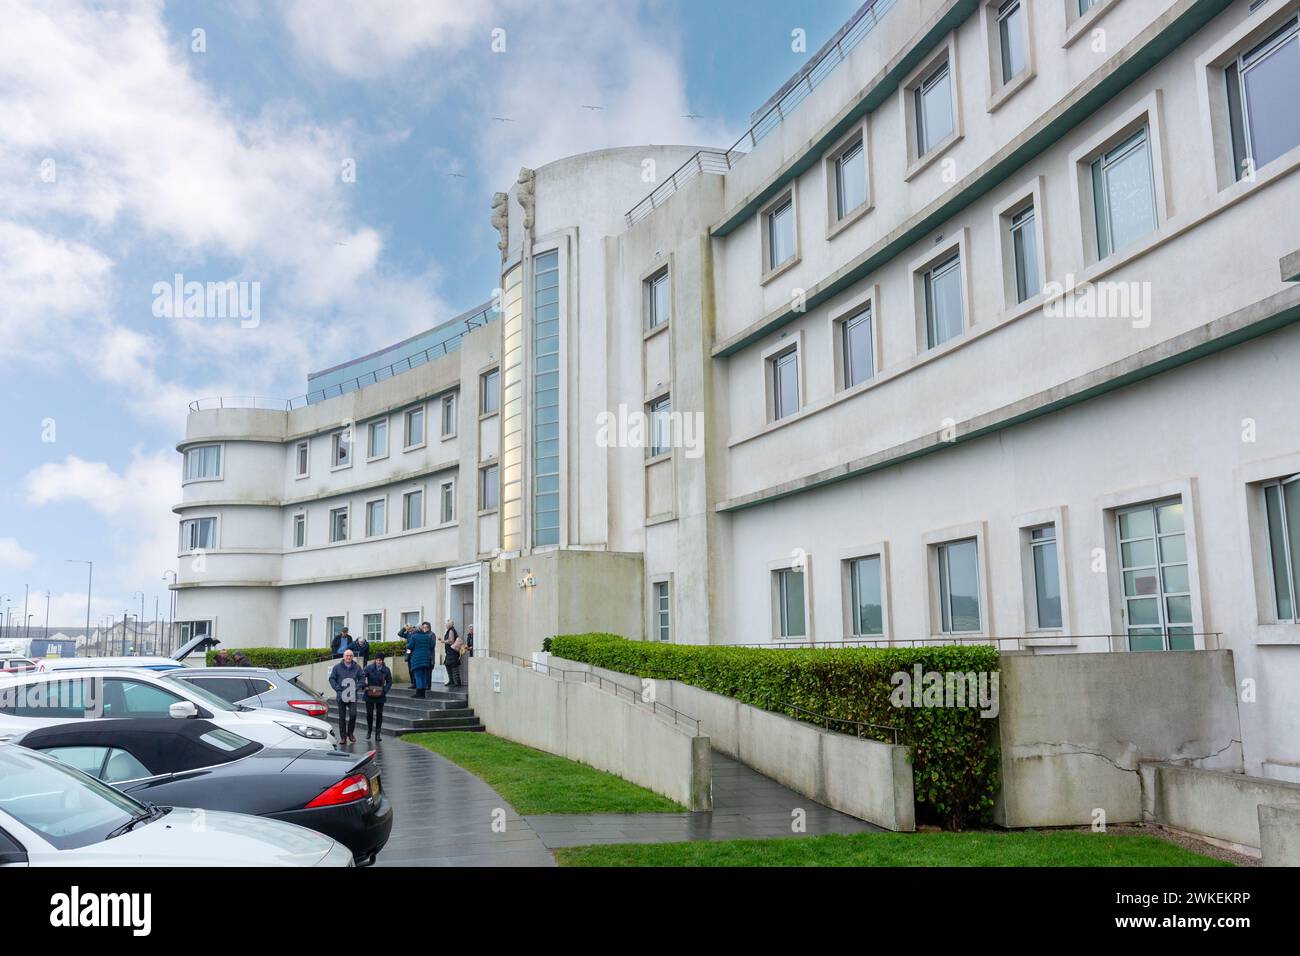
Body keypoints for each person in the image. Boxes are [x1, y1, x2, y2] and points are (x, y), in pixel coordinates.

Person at [328, 648, 363, 743]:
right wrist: (338, 689)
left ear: (353, 657)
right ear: (343, 657)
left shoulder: (357, 667)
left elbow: (362, 679)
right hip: (341, 695)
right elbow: (332, 679)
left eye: (351, 655)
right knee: (342, 717)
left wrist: (356, 687)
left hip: (352, 695)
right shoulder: (337, 667)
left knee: (353, 715)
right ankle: (343, 737)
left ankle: (350, 733)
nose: (349, 657)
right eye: (347, 655)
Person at [363, 653, 393, 741]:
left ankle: (378, 734)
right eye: (377, 660)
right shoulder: (369, 668)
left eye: (380, 660)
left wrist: (384, 690)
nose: (378, 662)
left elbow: (389, 681)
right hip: (369, 693)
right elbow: (361, 677)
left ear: (382, 661)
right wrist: (365, 686)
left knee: (379, 714)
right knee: (369, 714)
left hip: (381, 694)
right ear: (375, 660)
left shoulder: (386, 670)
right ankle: (369, 731)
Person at [406, 623, 435, 699]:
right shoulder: (427, 637)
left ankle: (419, 693)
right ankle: (423, 694)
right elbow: (432, 645)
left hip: (417, 659)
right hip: (426, 659)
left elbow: (409, 646)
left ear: (416, 629)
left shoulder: (414, 637)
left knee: (418, 676)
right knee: (423, 676)